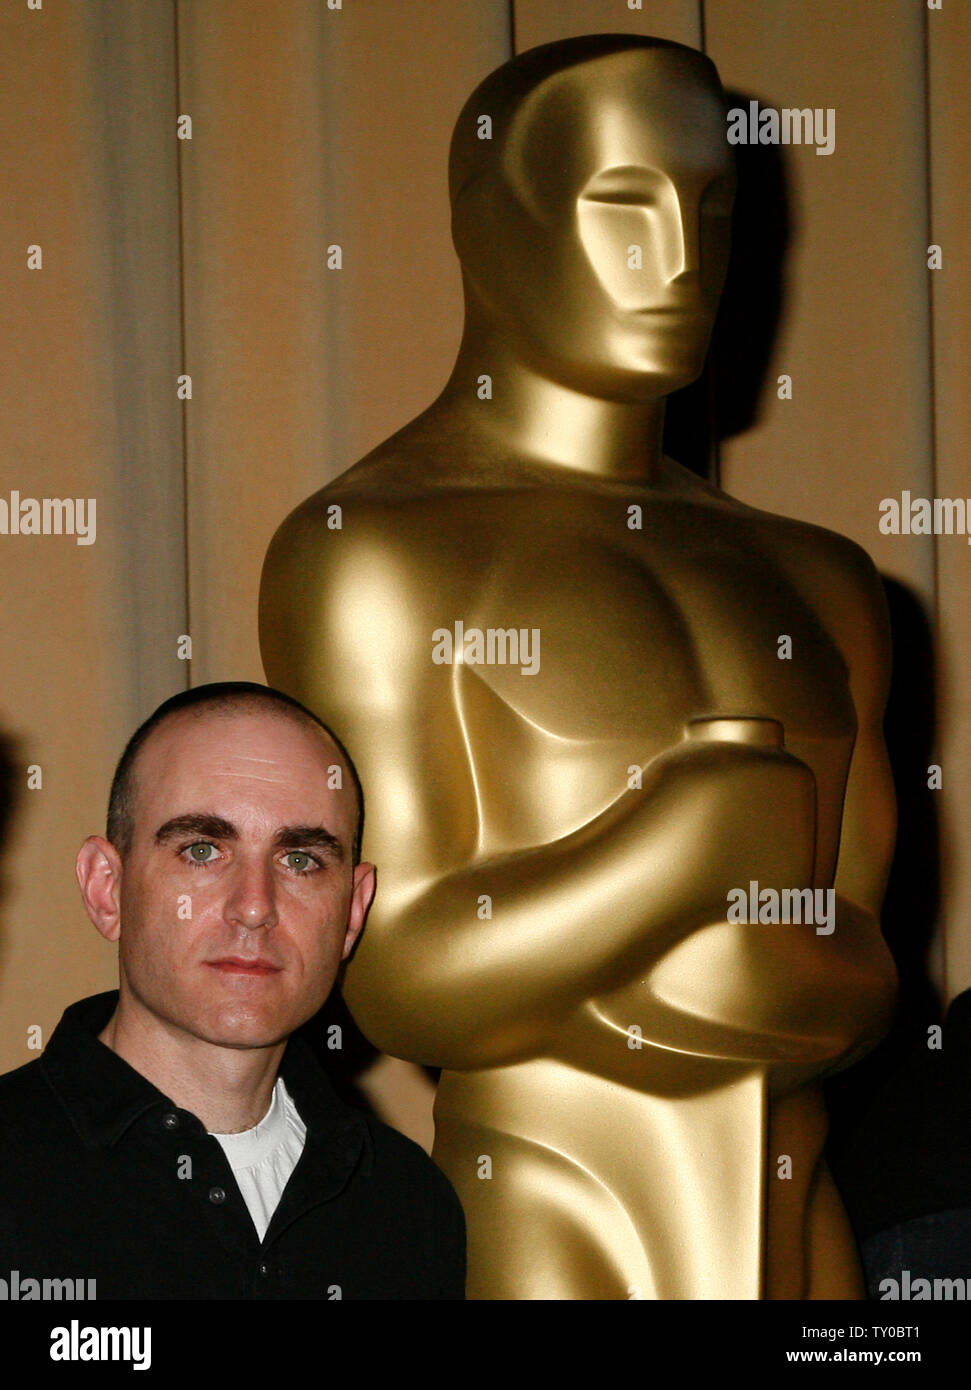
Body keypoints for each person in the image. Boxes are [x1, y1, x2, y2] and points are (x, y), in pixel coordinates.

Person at [0, 682, 465, 1299]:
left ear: (352, 911)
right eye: (201, 849)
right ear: (106, 889)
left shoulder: (408, 1204)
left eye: (300, 859)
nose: (254, 908)